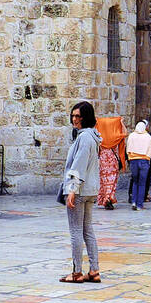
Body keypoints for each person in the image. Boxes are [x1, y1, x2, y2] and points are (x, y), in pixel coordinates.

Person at [59, 101, 102, 283]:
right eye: (73, 115)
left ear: (86, 117)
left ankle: (77, 272)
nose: (75, 119)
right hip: (90, 189)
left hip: (80, 190)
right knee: (87, 230)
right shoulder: (92, 137)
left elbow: (79, 165)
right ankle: (94, 270)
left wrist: (71, 190)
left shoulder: (84, 138)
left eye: (78, 116)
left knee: (76, 231)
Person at [95, 117, 128, 210]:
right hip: (113, 161)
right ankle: (109, 198)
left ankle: (105, 198)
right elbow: (125, 134)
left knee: (104, 180)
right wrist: (121, 123)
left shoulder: (100, 138)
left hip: (103, 161)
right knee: (112, 180)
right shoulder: (115, 137)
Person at [127, 121, 151, 210]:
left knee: (135, 182)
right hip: (144, 160)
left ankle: (134, 201)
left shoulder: (132, 135)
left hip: (133, 160)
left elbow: (128, 148)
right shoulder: (147, 136)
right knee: (142, 183)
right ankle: (139, 205)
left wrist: (130, 157)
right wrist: (148, 157)